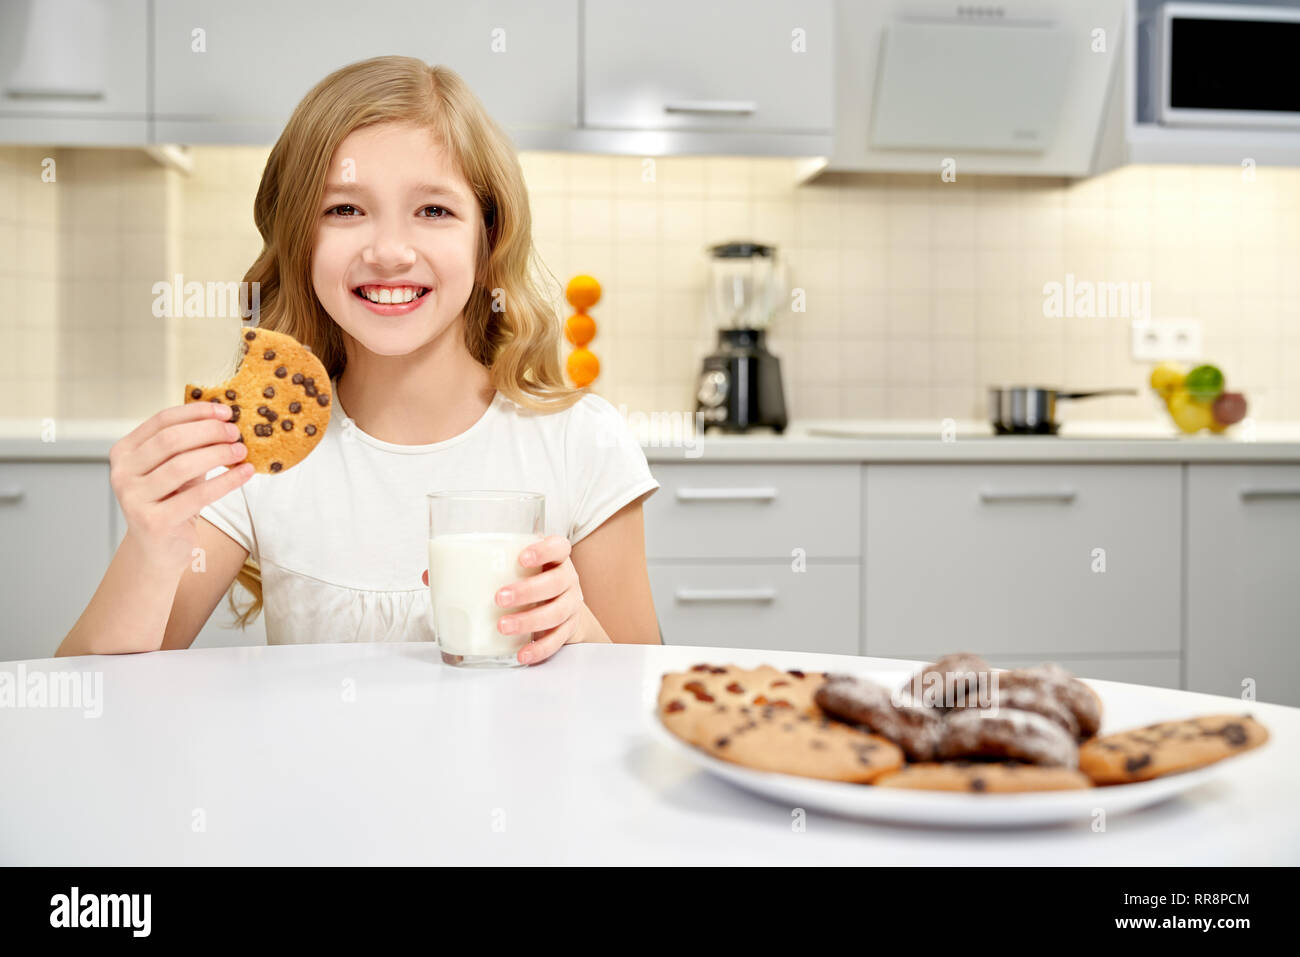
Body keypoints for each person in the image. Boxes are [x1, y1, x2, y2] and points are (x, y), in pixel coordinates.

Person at [57, 56, 662, 663]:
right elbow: (94, 687)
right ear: (300, 238)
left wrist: (578, 630)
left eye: (434, 210)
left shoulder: (580, 444)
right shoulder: (246, 455)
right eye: (344, 209)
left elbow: (642, 694)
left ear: (488, 236)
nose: (390, 252)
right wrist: (151, 546)